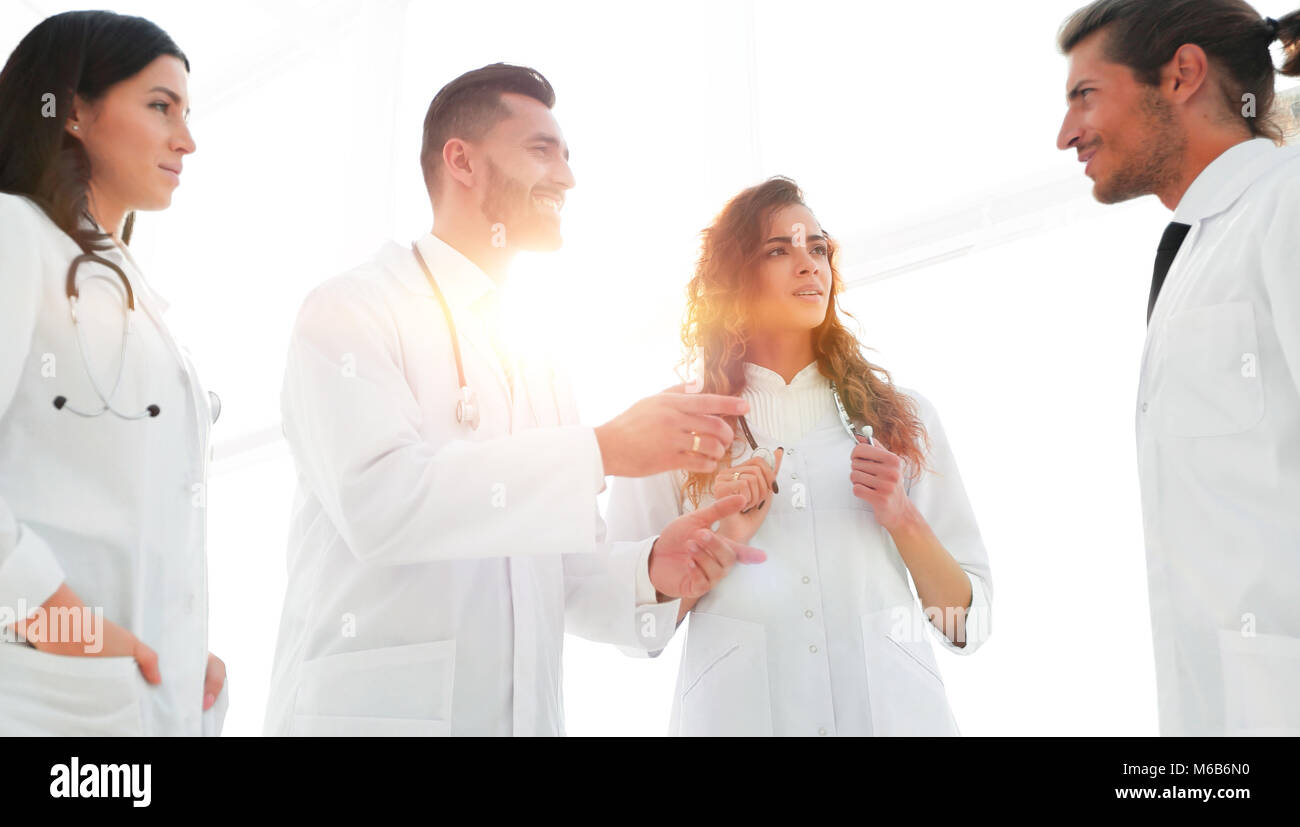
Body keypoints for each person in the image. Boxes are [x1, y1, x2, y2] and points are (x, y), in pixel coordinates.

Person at [262, 63, 761, 737]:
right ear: (461, 161)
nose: (566, 177)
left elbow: (567, 575)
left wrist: (652, 568)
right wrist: (604, 449)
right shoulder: (351, 308)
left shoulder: (540, 358)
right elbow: (381, 502)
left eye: (566, 154)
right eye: (540, 149)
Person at [605, 177, 993, 736]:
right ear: (735, 281)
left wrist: (902, 516)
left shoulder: (903, 421)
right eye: (778, 250)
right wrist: (723, 541)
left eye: (817, 248)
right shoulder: (676, 426)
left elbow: (968, 623)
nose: (809, 265)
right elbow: (633, 630)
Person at [1056, 0, 1300, 735]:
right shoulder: (1194, 253)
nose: (1066, 133)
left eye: (1084, 95)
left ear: (1182, 75)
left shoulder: (1289, 203)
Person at [0, 11, 227, 736]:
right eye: (161, 107)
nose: (186, 140)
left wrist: (184, 641)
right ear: (72, 111)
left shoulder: (132, 295)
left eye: (187, 114)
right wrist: (56, 617)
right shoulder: (12, 236)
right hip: (44, 697)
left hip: (131, 707)